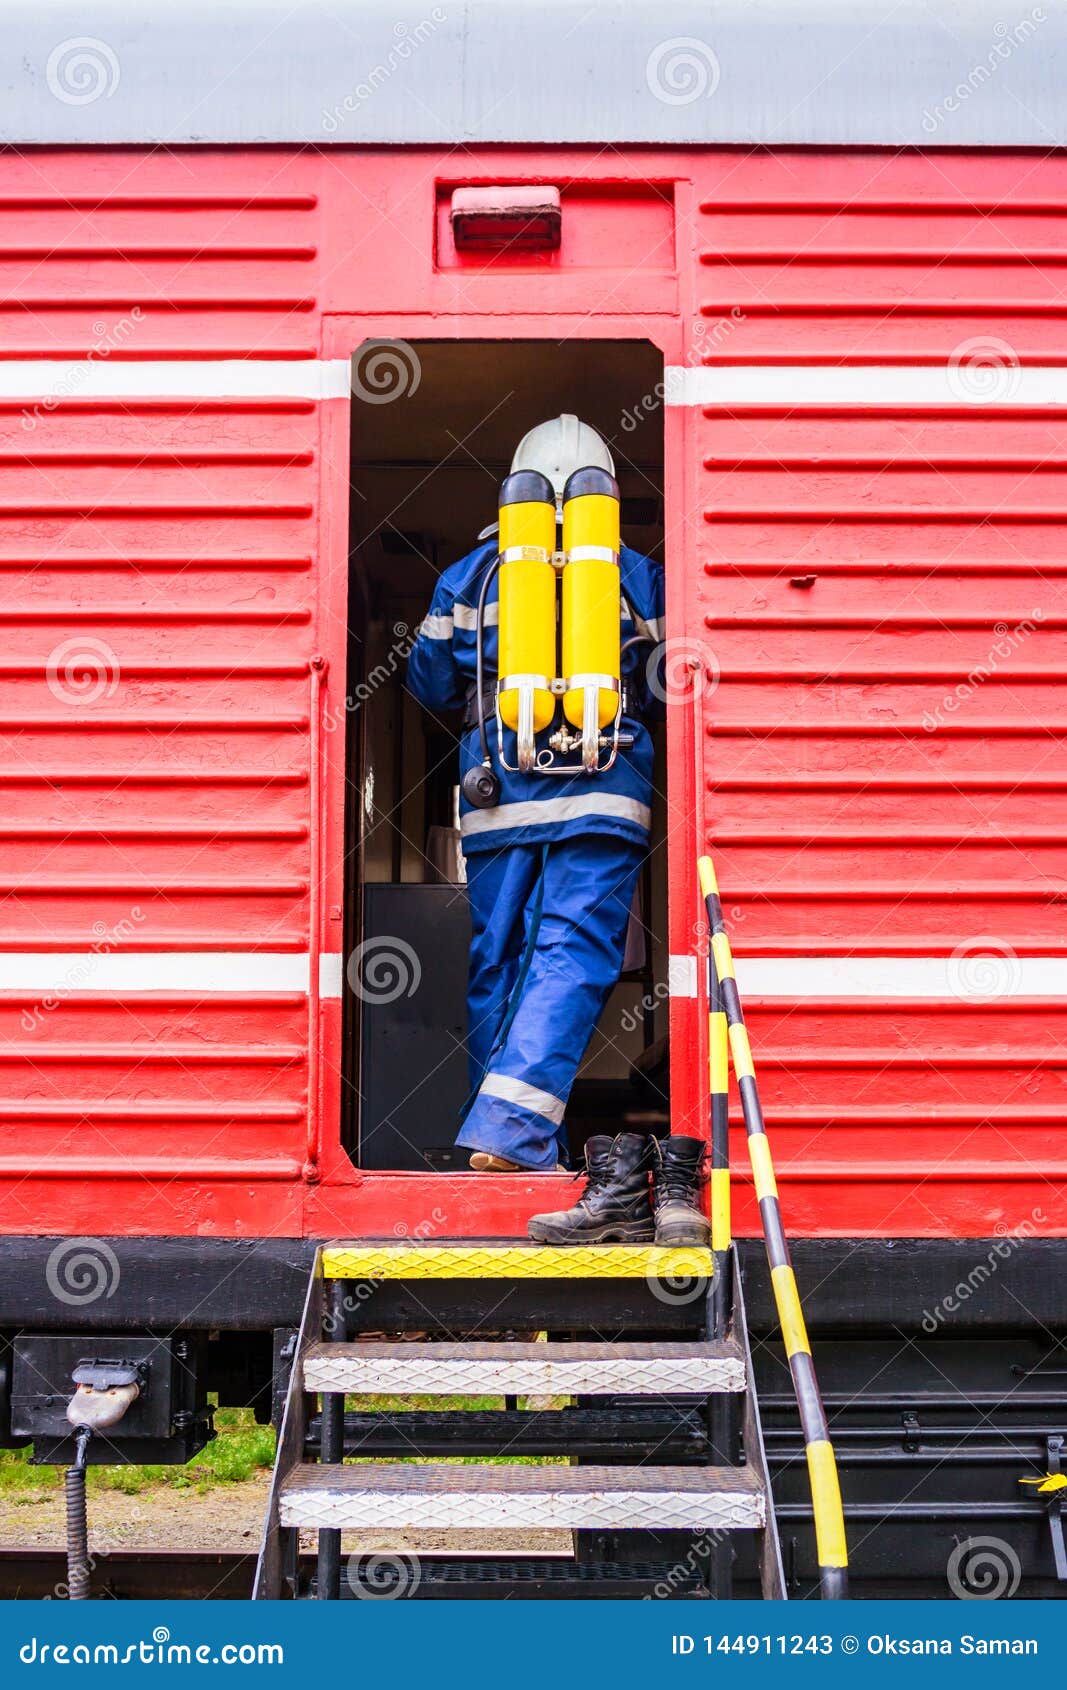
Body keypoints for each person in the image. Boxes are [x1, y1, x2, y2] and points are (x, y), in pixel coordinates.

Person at [407, 415, 709, 1246]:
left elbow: (430, 682)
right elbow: (669, 673)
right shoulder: (637, 574)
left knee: (494, 960)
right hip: (604, 789)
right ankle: (507, 1134)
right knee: (573, 950)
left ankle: (500, 1134)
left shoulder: (467, 577)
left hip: (497, 792)